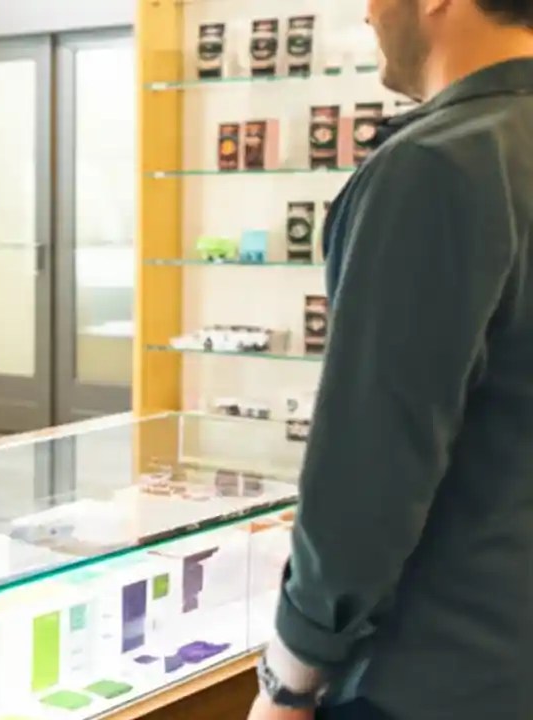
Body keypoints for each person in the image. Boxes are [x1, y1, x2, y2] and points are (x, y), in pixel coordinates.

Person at [248, 2, 533, 720]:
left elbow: (368, 471)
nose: (368, 13)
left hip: (433, 679)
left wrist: (288, 679)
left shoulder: (439, 165)